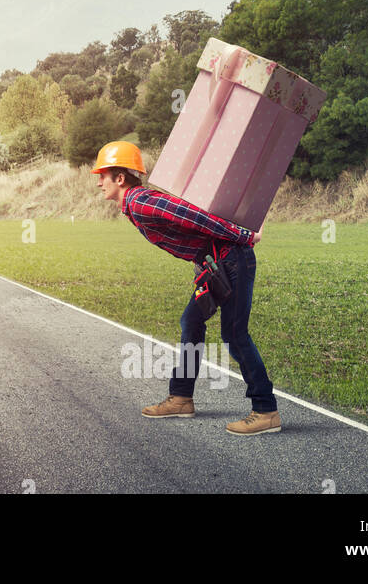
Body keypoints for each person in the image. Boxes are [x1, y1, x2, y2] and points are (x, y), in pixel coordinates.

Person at [92, 140, 280, 436]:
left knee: (234, 334)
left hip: (231, 258)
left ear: (119, 178)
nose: (98, 181)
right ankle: (181, 398)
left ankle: (266, 410)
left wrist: (244, 235)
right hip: (216, 263)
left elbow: (194, 216)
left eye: (102, 175)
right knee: (190, 321)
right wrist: (202, 265)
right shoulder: (133, 204)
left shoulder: (141, 201)